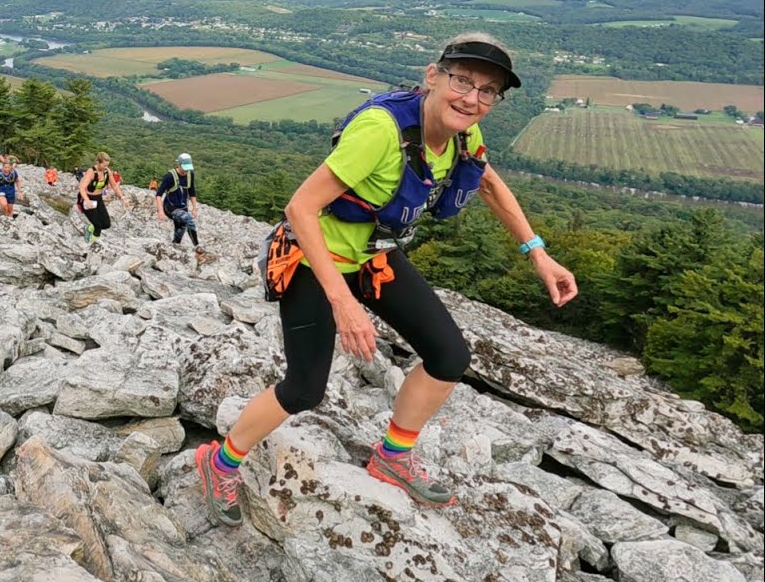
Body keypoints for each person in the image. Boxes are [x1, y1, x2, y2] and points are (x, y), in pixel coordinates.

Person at [195, 33, 578, 527]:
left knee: (449, 356)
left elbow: (485, 179)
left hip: (374, 254)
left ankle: (393, 456)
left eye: (488, 91)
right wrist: (343, 303)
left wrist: (538, 253)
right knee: (305, 388)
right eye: (463, 81)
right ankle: (220, 461)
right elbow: (301, 208)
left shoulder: (463, 133)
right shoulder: (381, 130)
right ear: (433, 76)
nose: (473, 98)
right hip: (316, 260)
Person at [77, 152, 130, 243]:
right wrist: (87, 200)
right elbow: (82, 188)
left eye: (107, 165)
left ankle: (89, 228)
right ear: (98, 162)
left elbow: (114, 186)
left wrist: (123, 197)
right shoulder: (91, 172)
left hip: (98, 198)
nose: (106, 167)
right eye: (104, 165)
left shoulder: (107, 171)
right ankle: (92, 245)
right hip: (87, 199)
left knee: (106, 224)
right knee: (97, 225)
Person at [155, 152, 201, 252]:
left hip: (183, 207)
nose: (185, 171)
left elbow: (192, 192)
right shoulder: (169, 176)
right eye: (184, 168)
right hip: (170, 208)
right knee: (188, 220)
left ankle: (175, 246)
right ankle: (198, 247)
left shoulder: (190, 175)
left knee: (181, 227)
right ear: (178, 165)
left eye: (187, 168)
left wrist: (194, 208)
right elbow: (159, 195)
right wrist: (160, 211)